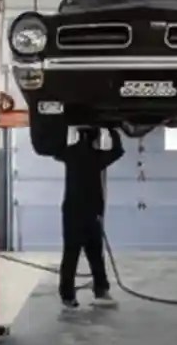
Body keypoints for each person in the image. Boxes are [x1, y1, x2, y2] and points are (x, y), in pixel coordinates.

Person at [52, 126, 124, 309]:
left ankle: (67, 296)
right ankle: (101, 290)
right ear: (94, 138)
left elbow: (53, 149)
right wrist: (111, 128)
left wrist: (65, 130)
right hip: (92, 212)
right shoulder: (97, 157)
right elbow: (118, 151)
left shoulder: (70, 153)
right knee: (95, 254)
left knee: (70, 254)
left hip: (72, 211)